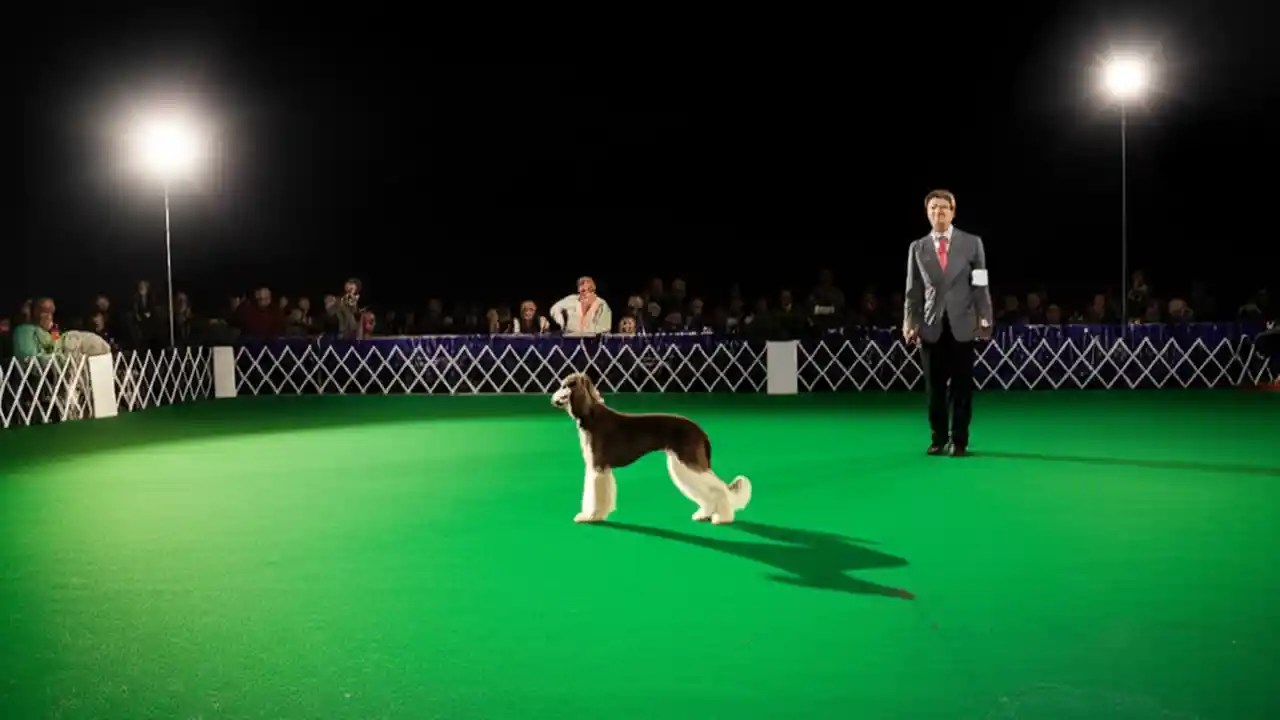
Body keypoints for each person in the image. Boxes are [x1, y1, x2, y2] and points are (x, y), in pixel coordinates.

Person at [903, 189, 993, 456]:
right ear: (926, 212)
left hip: (963, 324)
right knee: (934, 389)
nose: (937, 213)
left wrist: (985, 316)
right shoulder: (917, 247)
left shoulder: (972, 243)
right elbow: (913, 291)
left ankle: (960, 439)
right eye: (932, 208)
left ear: (953, 211)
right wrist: (909, 322)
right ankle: (938, 437)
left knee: (962, 388)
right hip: (931, 326)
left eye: (943, 208)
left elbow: (980, 284)